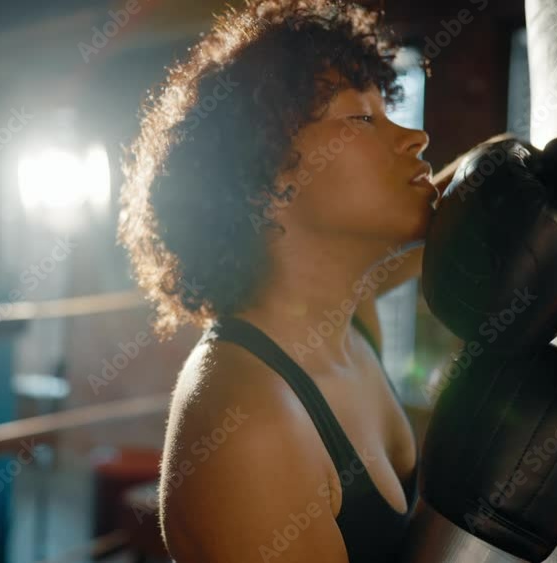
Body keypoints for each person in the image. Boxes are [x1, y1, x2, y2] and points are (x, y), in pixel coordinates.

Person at [116, 1, 497, 560]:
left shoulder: (346, 314)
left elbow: (464, 200)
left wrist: (499, 172)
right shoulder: (247, 423)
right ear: (267, 177)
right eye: (361, 119)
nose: (414, 139)